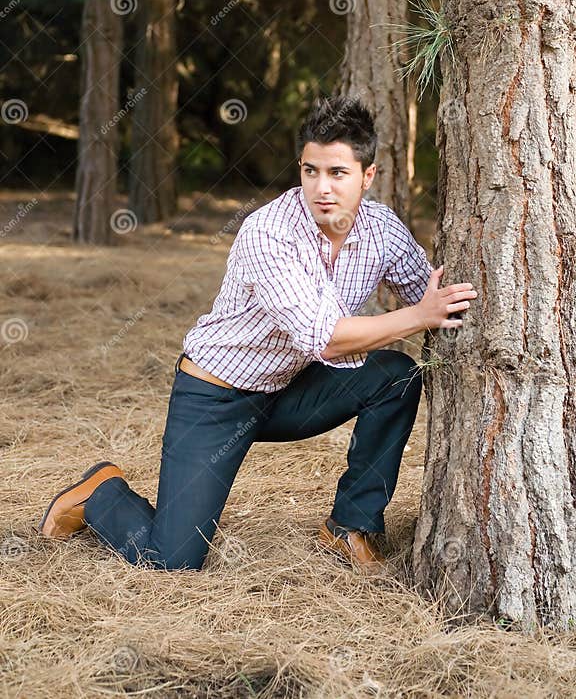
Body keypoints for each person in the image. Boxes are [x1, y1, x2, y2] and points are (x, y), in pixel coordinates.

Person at [38, 95, 477, 574]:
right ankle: (102, 493)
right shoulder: (268, 231)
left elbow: (431, 292)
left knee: (396, 376)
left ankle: (350, 526)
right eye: (311, 171)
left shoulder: (383, 230)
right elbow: (328, 338)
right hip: (217, 397)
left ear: (367, 176)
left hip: (289, 391)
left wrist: (443, 306)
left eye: (338, 173)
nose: (322, 188)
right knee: (173, 559)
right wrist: (421, 315)